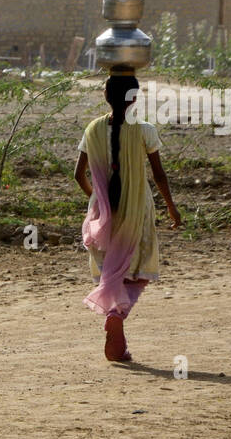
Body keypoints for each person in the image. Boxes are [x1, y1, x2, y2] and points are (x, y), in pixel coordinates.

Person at [75, 74, 182, 362]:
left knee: (108, 268)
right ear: (134, 98)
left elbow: (78, 175)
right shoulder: (145, 130)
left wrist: (98, 198)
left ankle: (114, 319)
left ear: (105, 96)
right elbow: (159, 175)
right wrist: (171, 207)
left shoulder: (92, 129)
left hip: (102, 210)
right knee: (135, 271)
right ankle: (116, 313)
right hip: (137, 209)